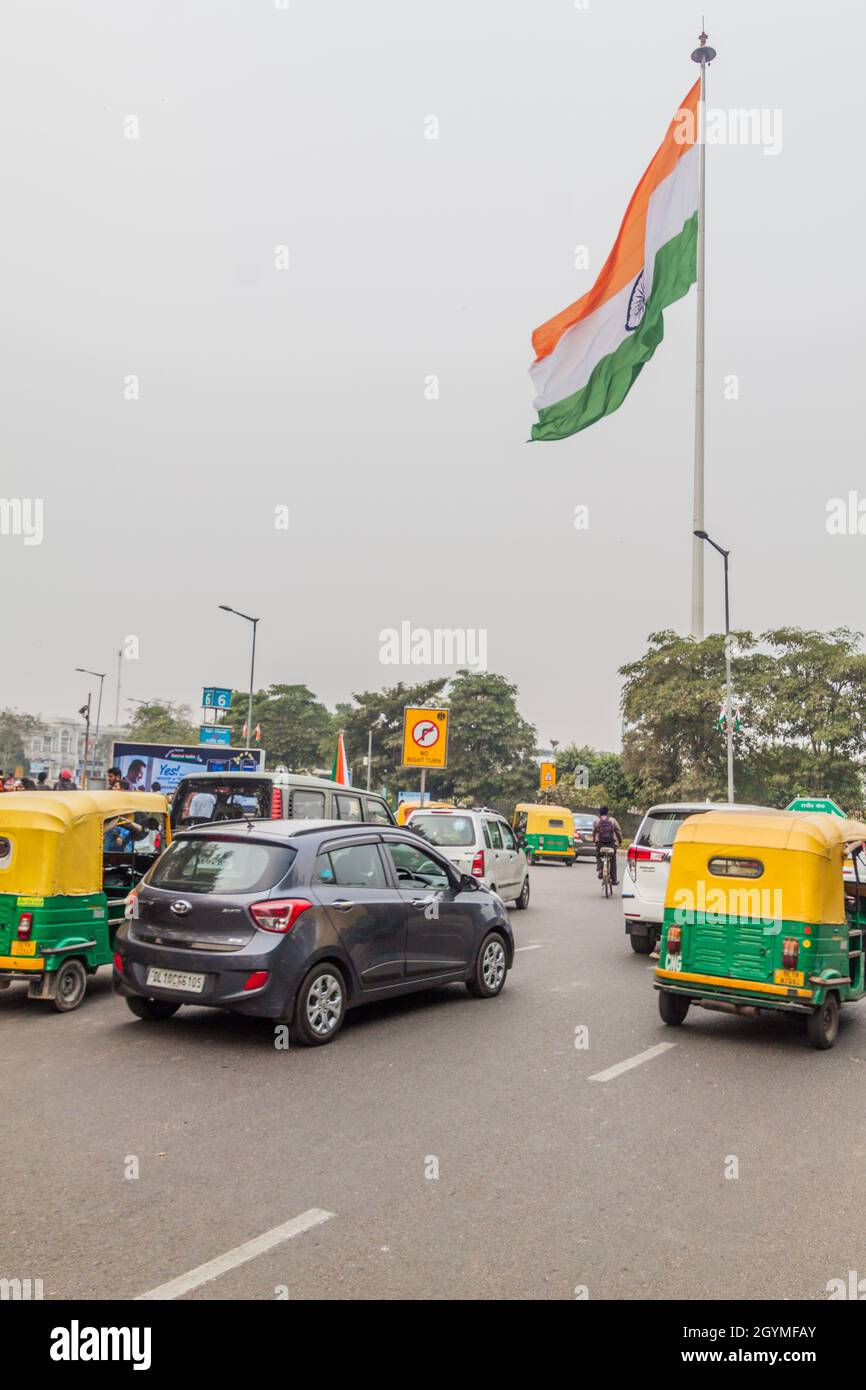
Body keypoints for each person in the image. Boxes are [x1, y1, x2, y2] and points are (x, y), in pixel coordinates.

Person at [593, 804, 623, 886]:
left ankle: (600, 868)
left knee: (598, 855)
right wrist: (620, 841)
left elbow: (594, 832)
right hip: (611, 844)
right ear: (607, 812)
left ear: (599, 813)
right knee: (613, 860)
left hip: (600, 844)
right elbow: (618, 832)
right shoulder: (613, 820)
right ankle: (614, 879)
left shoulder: (596, 821)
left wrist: (595, 841)